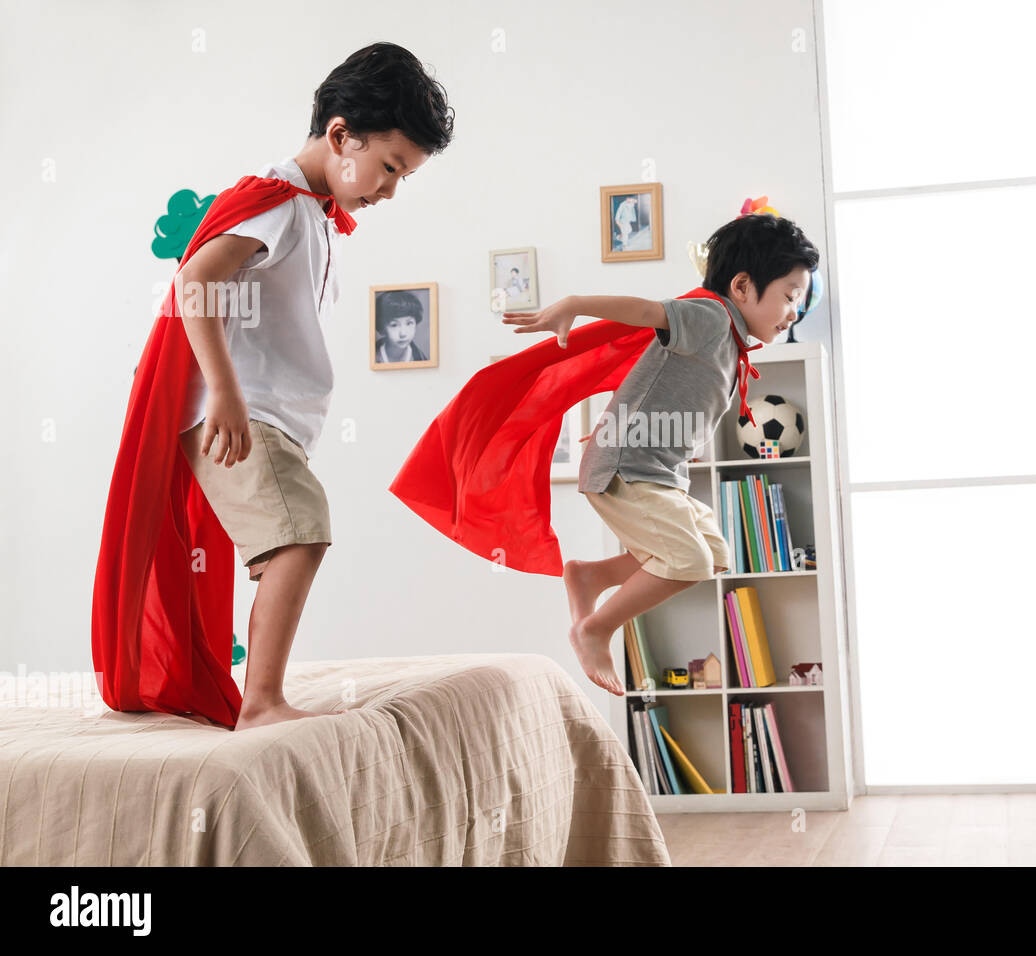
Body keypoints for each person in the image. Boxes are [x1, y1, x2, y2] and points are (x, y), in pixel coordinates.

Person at [94, 42, 454, 730]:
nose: (389, 190)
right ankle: (262, 703)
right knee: (300, 535)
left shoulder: (314, 214)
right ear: (342, 134)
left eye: (403, 176)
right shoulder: (280, 204)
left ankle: (255, 689)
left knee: (289, 537)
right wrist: (225, 395)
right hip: (241, 413)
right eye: (389, 167)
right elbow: (196, 278)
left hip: (271, 419)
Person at [502, 213, 820, 695]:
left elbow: (654, 383)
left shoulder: (732, 342)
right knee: (687, 559)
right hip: (630, 470)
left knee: (713, 554)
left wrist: (619, 426)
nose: (794, 311)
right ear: (741, 285)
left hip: (654, 469)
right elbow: (646, 311)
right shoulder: (711, 317)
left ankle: (591, 577)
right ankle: (595, 628)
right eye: (790, 296)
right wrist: (575, 304)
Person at [374, 289, 428, 363]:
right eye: (394, 325)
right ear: (382, 328)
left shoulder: (421, 359)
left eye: (409, 323)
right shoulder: (370, 355)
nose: (403, 334)